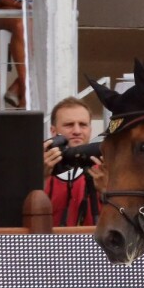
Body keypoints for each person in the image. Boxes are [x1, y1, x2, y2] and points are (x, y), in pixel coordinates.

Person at [42, 96, 106, 227]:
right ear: (53, 131)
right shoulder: (41, 170)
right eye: (69, 125)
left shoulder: (105, 171)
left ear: (90, 129)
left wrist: (108, 190)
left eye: (83, 125)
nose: (77, 131)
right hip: (49, 245)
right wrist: (38, 180)